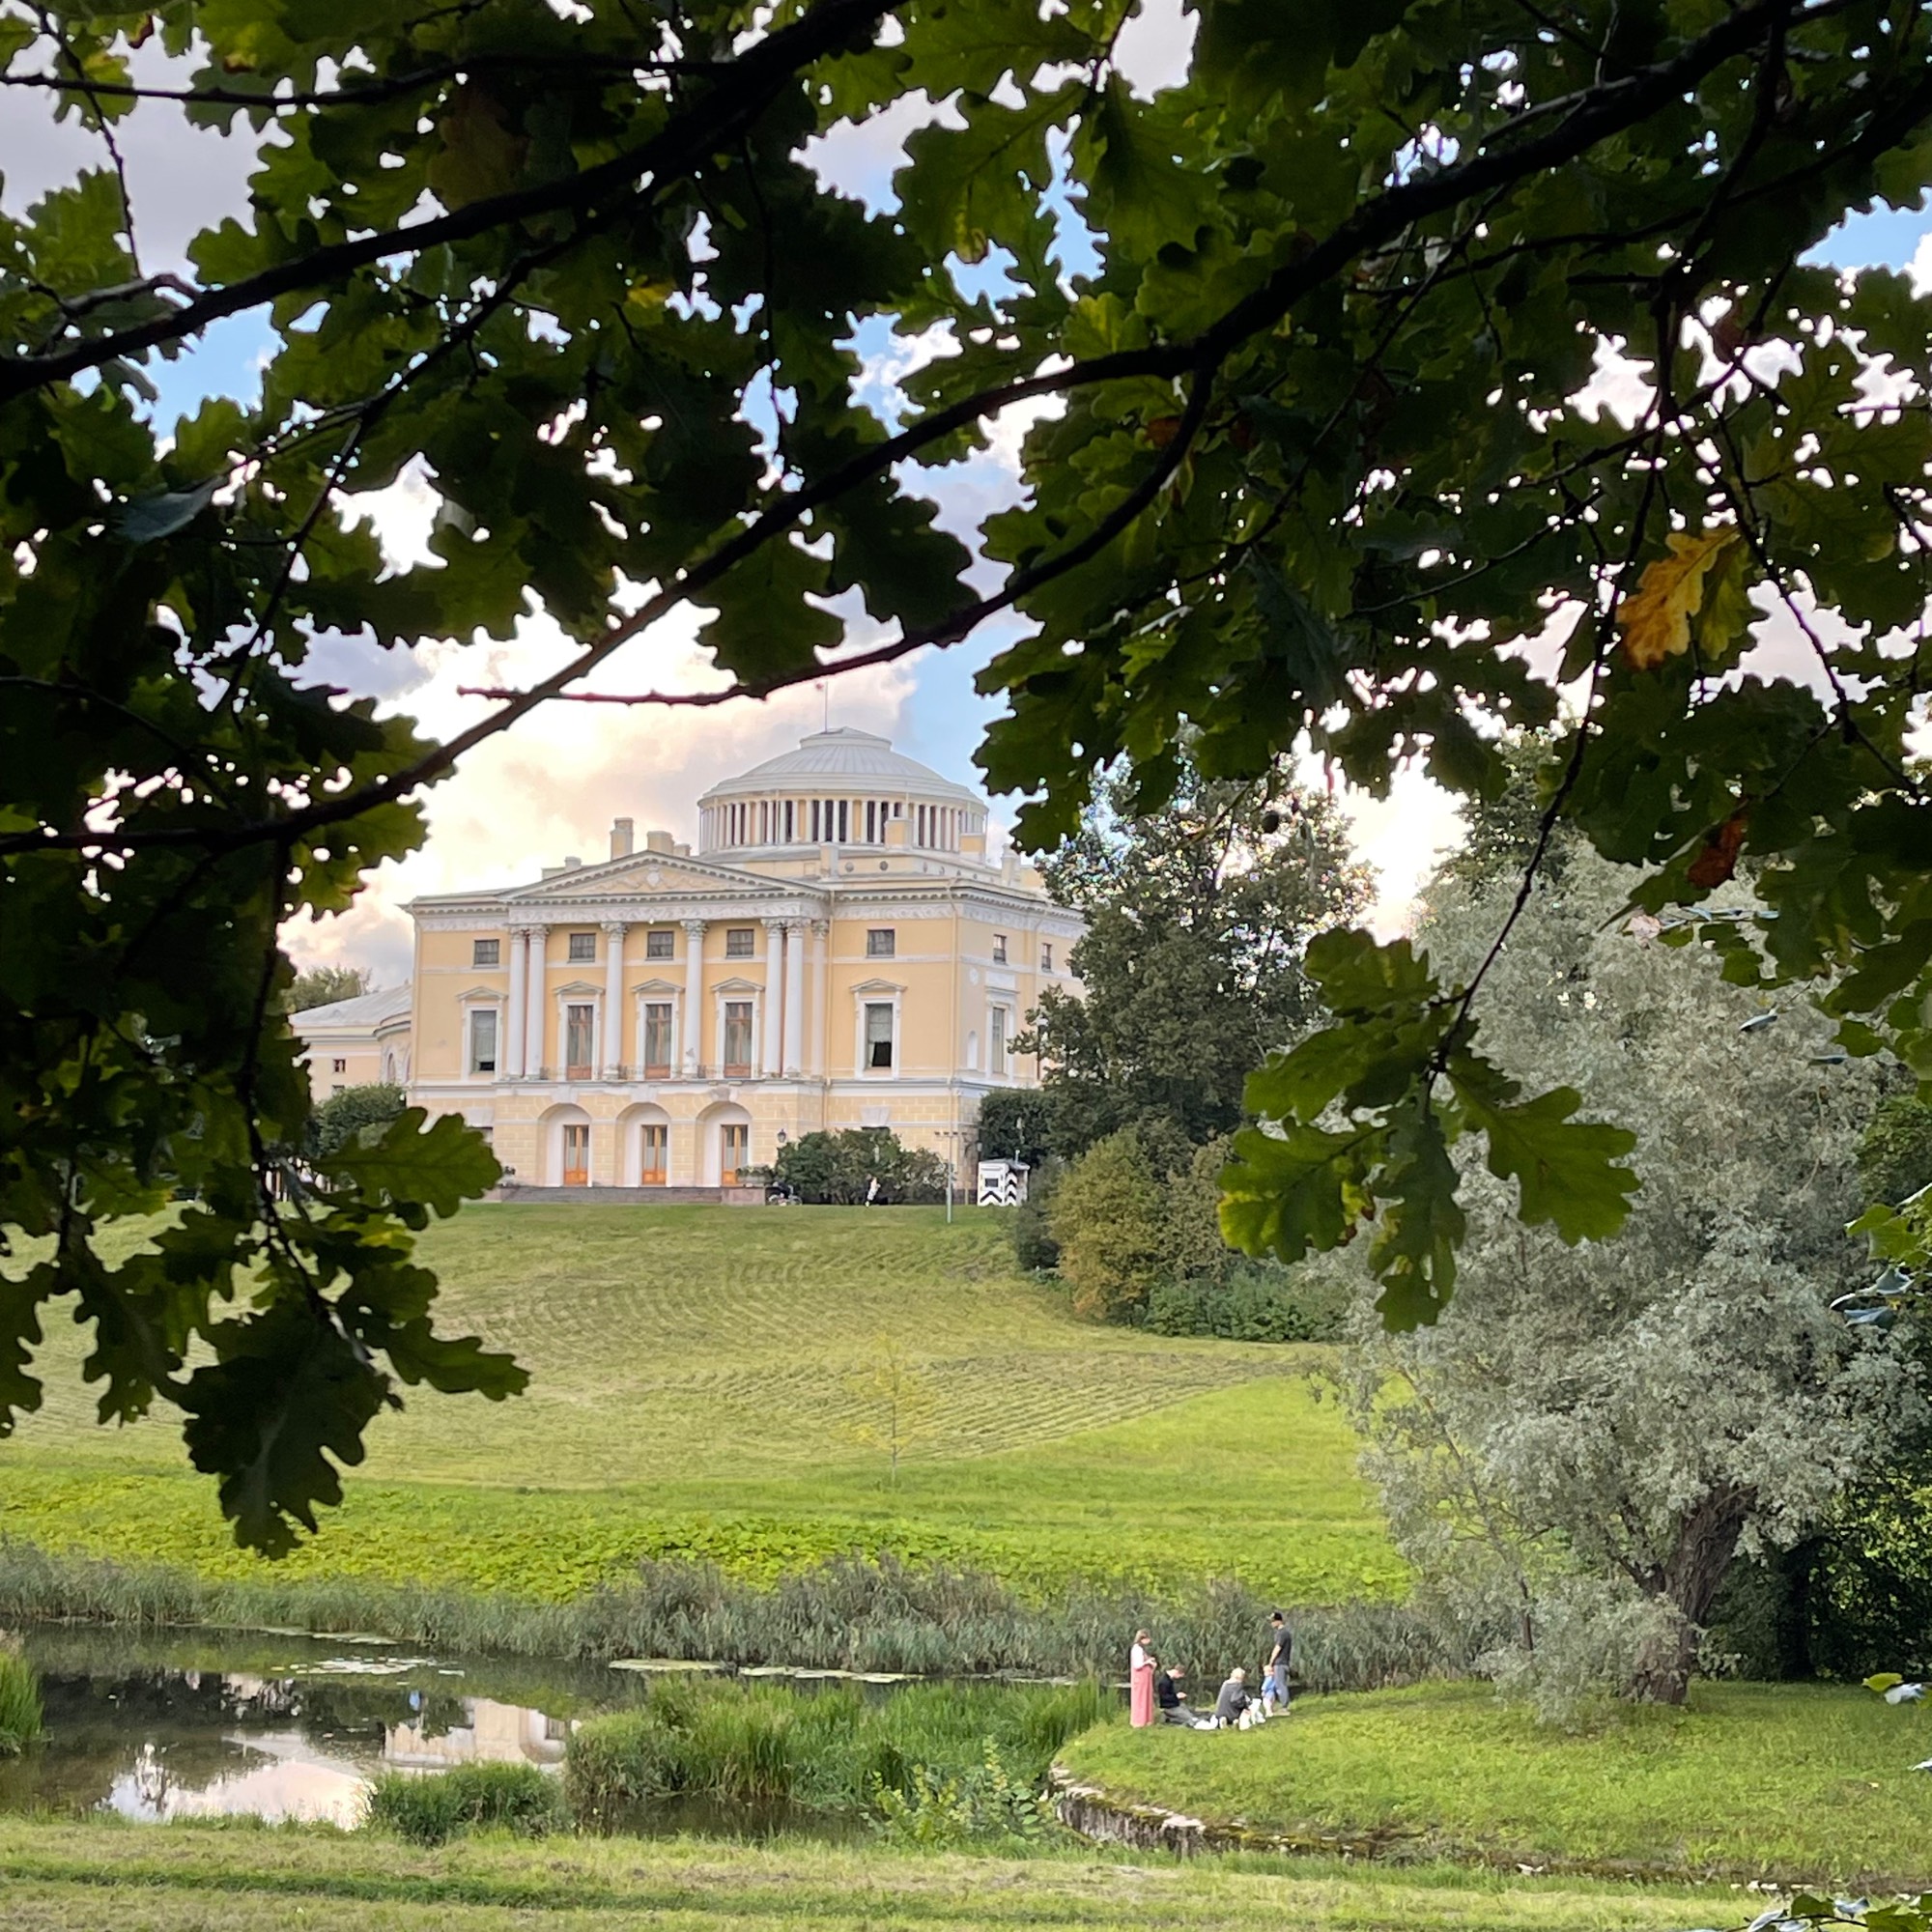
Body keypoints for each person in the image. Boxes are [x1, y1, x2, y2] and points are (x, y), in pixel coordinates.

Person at [1155, 1662, 1211, 1727]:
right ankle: (1169, 1718)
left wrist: (1177, 1696)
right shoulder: (1164, 1682)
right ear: (1177, 1672)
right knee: (1189, 1718)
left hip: (1176, 1704)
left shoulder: (1170, 1680)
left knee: (1192, 1711)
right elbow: (1164, 1697)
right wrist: (1177, 1696)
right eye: (1180, 1676)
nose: (1179, 1678)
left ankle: (1210, 1715)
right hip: (1169, 1708)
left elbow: (1170, 1694)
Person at [1263, 1609, 1293, 1715]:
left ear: (1279, 1621)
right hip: (1282, 1663)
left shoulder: (1282, 1633)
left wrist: (1270, 1663)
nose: (1272, 1623)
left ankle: (1284, 1708)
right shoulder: (1283, 1633)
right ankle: (1279, 1706)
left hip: (1280, 1663)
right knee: (1279, 1684)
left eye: (1273, 1621)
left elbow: (1277, 1648)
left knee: (1280, 1685)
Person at [1214, 1665, 1262, 1729]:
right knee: (1246, 1710)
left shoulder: (1225, 1684)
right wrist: (1246, 1706)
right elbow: (1236, 1701)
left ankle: (1225, 1720)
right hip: (1231, 1712)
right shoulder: (1237, 1685)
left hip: (1219, 1712)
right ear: (1241, 1677)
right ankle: (1235, 1721)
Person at [1129, 1629, 1155, 1728]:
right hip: (1140, 1678)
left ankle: (1146, 1719)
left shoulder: (1141, 1649)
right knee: (1140, 1698)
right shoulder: (1137, 1649)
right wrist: (1148, 1662)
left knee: (1145, 1697)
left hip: (1144, 1678)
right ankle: (1139, 1720)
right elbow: (1137, 1665)